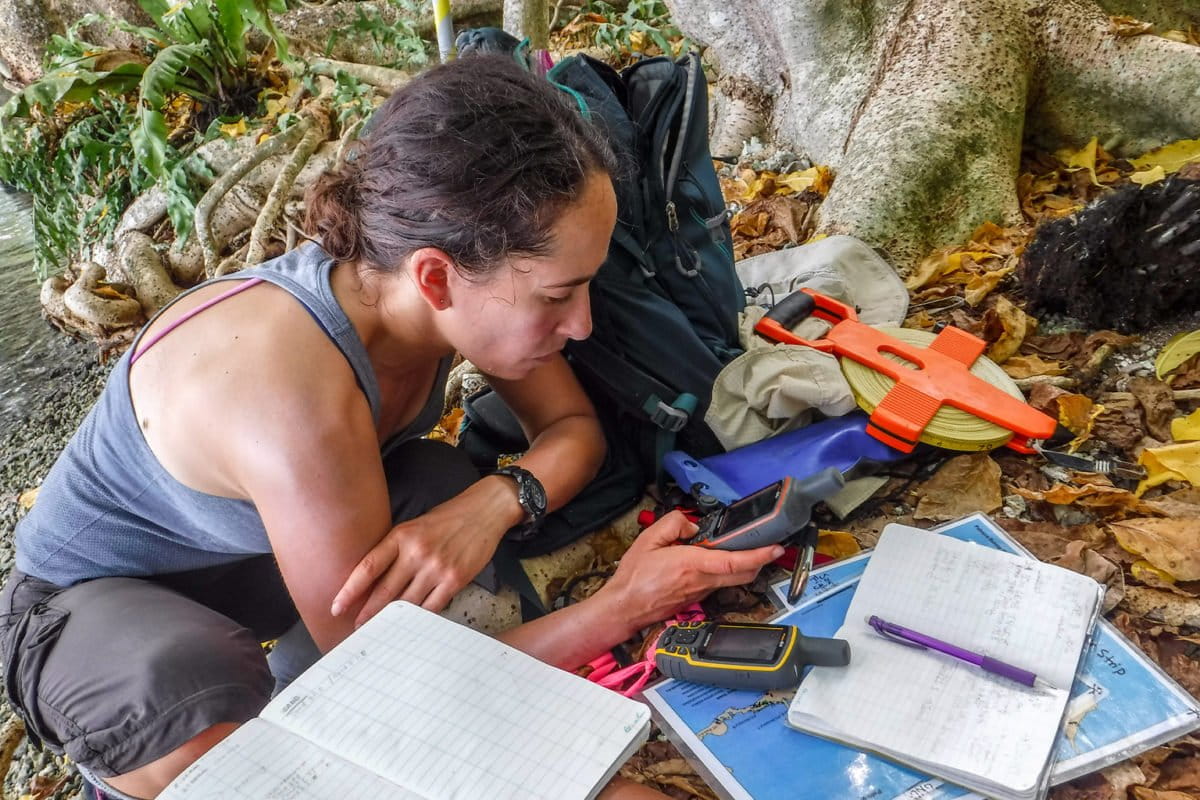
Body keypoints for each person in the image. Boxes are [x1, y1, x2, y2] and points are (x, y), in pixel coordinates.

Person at [0, 56, 781, 799]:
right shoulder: (289, 390)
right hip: (94, 612)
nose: (580, 325)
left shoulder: (441, 292)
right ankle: (154, 763)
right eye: (557, 296)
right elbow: (384, 682)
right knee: (199, 694)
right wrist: (623, 604)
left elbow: (574, 430)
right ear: (437, 275)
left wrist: (496, 502)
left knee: (440, 485)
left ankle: (300, 694)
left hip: (259, 559)